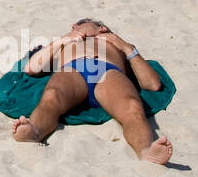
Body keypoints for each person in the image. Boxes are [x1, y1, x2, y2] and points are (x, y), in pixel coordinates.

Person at [11, 19, 172, 165]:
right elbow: (31, 68)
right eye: (76, 26)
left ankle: (145, 150)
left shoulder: (117, 44)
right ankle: (35, 131)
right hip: (73, 69)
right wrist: (63, 40)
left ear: (102, 28)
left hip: (108, 71)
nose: (74, 26)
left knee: (132, 107)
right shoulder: (63, 44)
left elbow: (152, 84)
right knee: (51, 96)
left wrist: (128, 48)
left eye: (83, 24)